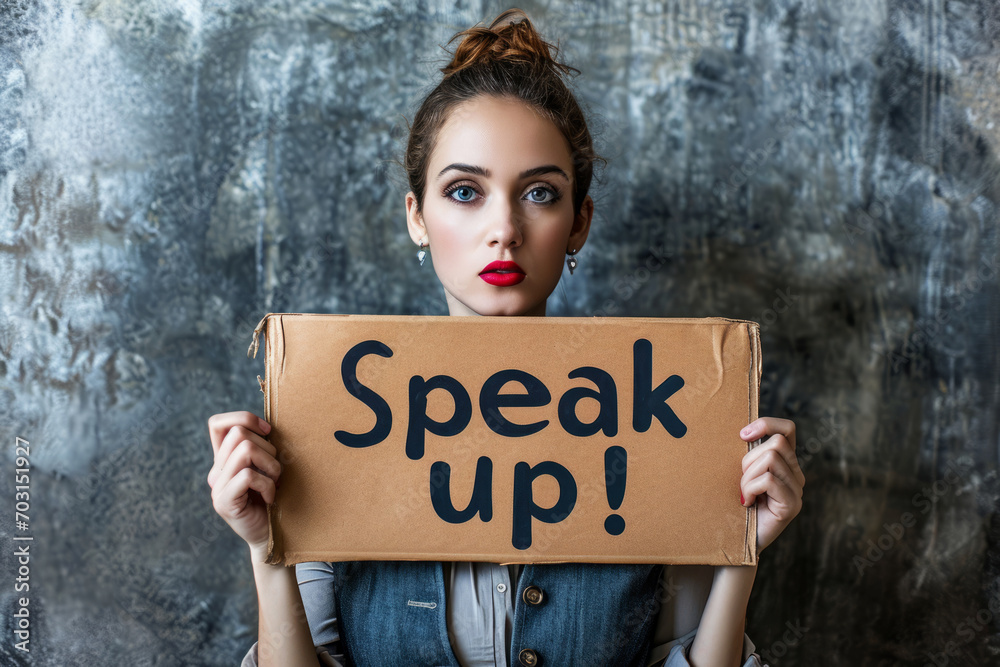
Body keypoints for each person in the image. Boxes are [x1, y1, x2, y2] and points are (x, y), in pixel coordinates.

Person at [206, 8, 805, 666]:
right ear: (417, 216)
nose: (504, 229)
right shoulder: (340, 417)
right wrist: (268, 550)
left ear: (579, 223)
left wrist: (740, 552)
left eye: (540, 194)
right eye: (465, 191)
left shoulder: (657, 415)